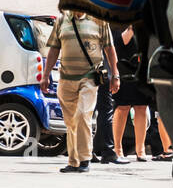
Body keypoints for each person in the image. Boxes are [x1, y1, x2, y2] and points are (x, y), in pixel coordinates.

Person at [42, 10, 120, 172]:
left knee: (83, 113)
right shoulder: (62, 21)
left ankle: (85, 158)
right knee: (71, 121)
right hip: (66, 79)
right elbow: (54, 50)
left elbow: (110, 49)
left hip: (89, 77)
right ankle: (74, 161)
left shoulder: (99, 21)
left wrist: (115, 75)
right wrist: (46, 74)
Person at [111, 25, 154, 160]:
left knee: (141, 108)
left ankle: (140, 150)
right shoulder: (119, 24)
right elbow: (120, 42)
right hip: (125, 71)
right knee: (122, 108)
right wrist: (132, 27)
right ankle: (118, 148)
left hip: (141, 71)